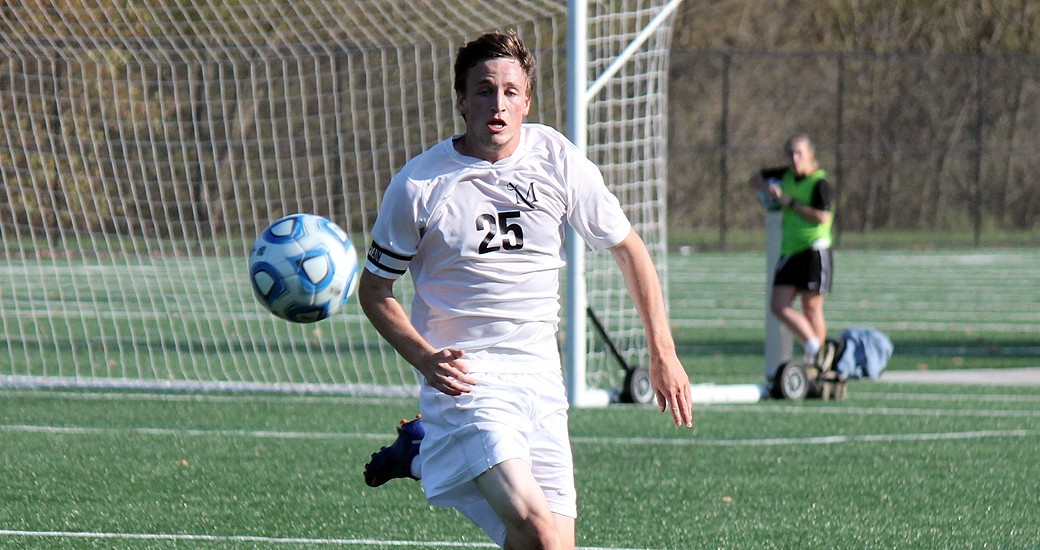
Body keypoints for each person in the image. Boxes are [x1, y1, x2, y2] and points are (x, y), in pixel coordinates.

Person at [358, 30, 693, 549]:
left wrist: (662, 352)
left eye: (511, 91)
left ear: (527, 101)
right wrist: (424, 359)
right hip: (468, 378)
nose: (499, 103)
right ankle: (431, 445)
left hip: (541, 377)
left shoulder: (557, 159)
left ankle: (424, 453)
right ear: (461, 101)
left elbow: (630, 250)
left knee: (551, 545)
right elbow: (375, 289)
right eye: (485, 90)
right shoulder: (419, 185)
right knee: (538, 532)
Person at [749, 133, 836, 369]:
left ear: (810, 155)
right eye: (791, 153)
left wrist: (788, 201)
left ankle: (820, 363)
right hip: (790, 250)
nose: (795, 158)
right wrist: (769, 190)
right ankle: (814, 347)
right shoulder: (785, 175)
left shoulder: (820, 183)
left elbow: (822, 216)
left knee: (811, 308)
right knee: (778, 305)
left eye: (799, 153)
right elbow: (755, 178)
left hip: (814, 250)